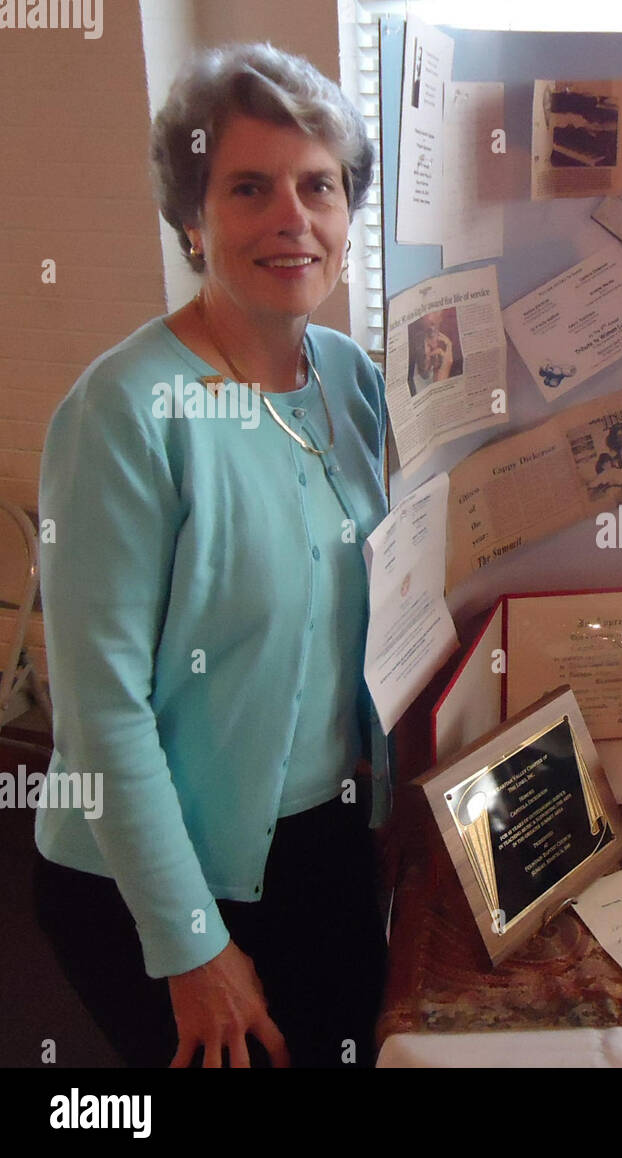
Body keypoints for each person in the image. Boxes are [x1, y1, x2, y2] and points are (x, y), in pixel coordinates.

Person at [32, 44, 392, 1069]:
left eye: (318, 185)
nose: (293, 216)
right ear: (192, 221)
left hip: (317, 839)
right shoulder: (125, 411)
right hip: (155, 874)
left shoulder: (345, 377)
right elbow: (101, 711)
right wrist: (190, 946)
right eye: (248, 188)